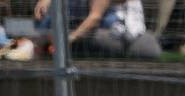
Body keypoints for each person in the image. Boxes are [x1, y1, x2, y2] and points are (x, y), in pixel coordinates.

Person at [34, 0, 162, 58]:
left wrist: (66, 40)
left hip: (125, 38)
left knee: (87, 40)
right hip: (90, 33)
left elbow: (94, 18)